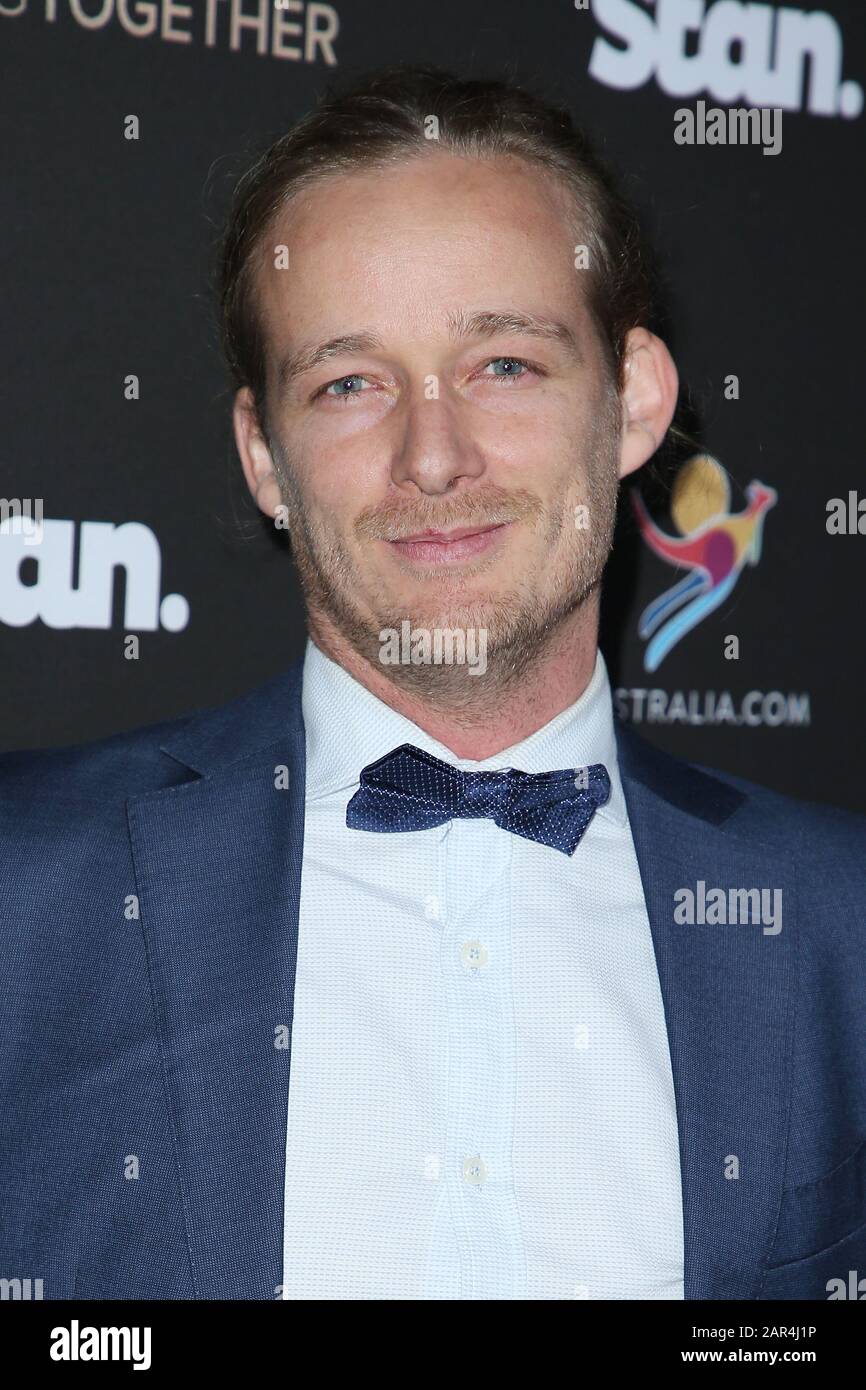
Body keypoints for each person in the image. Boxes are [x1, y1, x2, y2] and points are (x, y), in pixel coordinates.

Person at [2, 65, 864, 1303]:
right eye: (350, 383)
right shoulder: (26, 898)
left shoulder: (834, 926)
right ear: (264, 456)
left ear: (632, 404)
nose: (433, 454)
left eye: (502, 364)